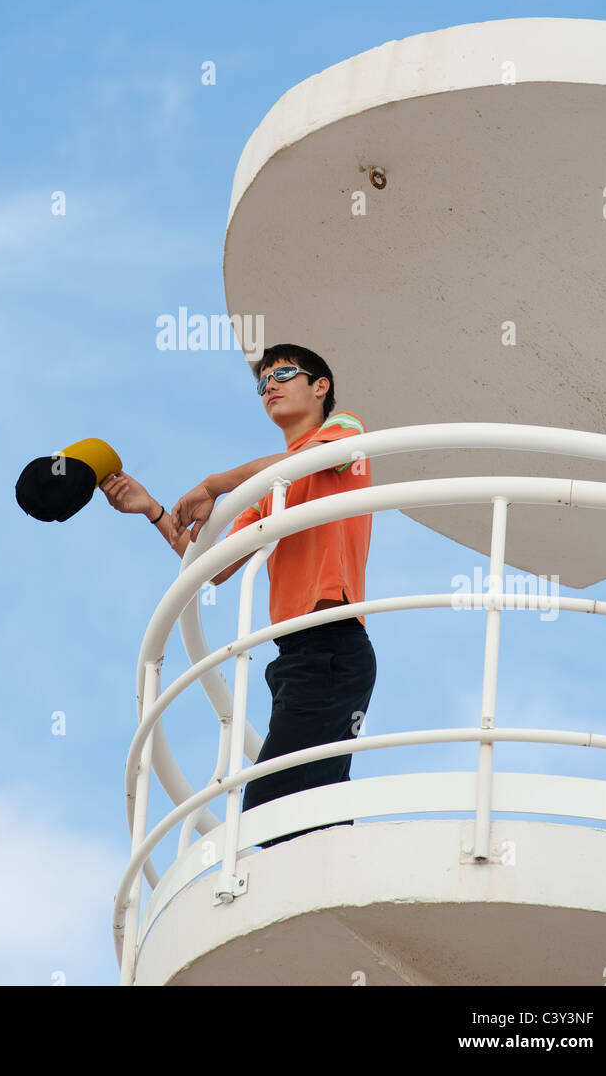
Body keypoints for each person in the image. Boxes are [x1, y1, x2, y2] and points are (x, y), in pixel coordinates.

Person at [100, 344, 377, 848]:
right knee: (310, 804)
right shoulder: (270, 488)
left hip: (331, 643)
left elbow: (314, 458)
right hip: (298, 655)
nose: (270, 385)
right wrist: (152, 510)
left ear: (321, 388)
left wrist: (215, 484)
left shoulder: (344, 432)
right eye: (263, 381)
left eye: (285, 373)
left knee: (270, 807)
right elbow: (213, 566)